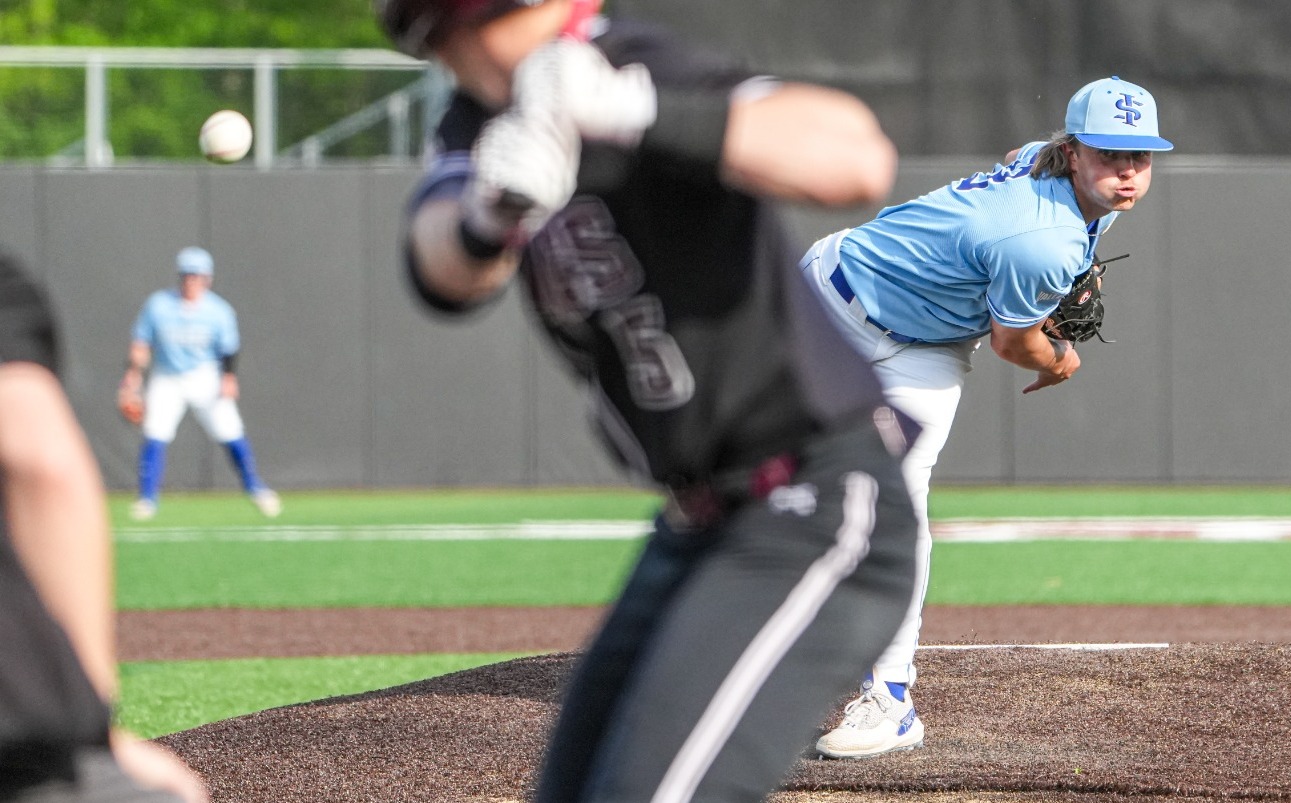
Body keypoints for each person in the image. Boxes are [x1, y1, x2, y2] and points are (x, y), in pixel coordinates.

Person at [376, 0, 920, 799]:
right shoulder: (477, 116)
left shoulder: (624, 60)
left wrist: (633, 108)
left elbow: (854, 160)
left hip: (813, 495)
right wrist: (486, 218)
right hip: (696, 519)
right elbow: (440, 271)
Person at [801, 75, 1173, 759]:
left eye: (1139, 156)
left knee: (892, 510)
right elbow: (1012, 343)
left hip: (921, 352)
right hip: (824, 304)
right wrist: (1058, 359)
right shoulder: (1043, 240)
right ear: (1072, 151)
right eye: (1108, 154)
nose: (1125, 171)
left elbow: (1015, 159)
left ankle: (889, 699)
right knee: (762, 480)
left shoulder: (1051, 169)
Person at [0, 249, 209, 802]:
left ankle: (253, 486)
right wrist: (96, 726)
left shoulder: (213, 313)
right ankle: (152, 493)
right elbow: (40, 463)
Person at [116, 247, 280, 521]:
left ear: (208, 279)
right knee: (155, 432)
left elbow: (229, 350)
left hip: (205, 375)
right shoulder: (159, 305)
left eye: (197, 276)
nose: (191, 281)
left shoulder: (218, 311)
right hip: (167, 376)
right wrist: (132, 375)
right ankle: (147, 499)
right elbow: (141, 343)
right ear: (179, 277)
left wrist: (228, 378)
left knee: (229, 430)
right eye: (187, 275)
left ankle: (255, 487)